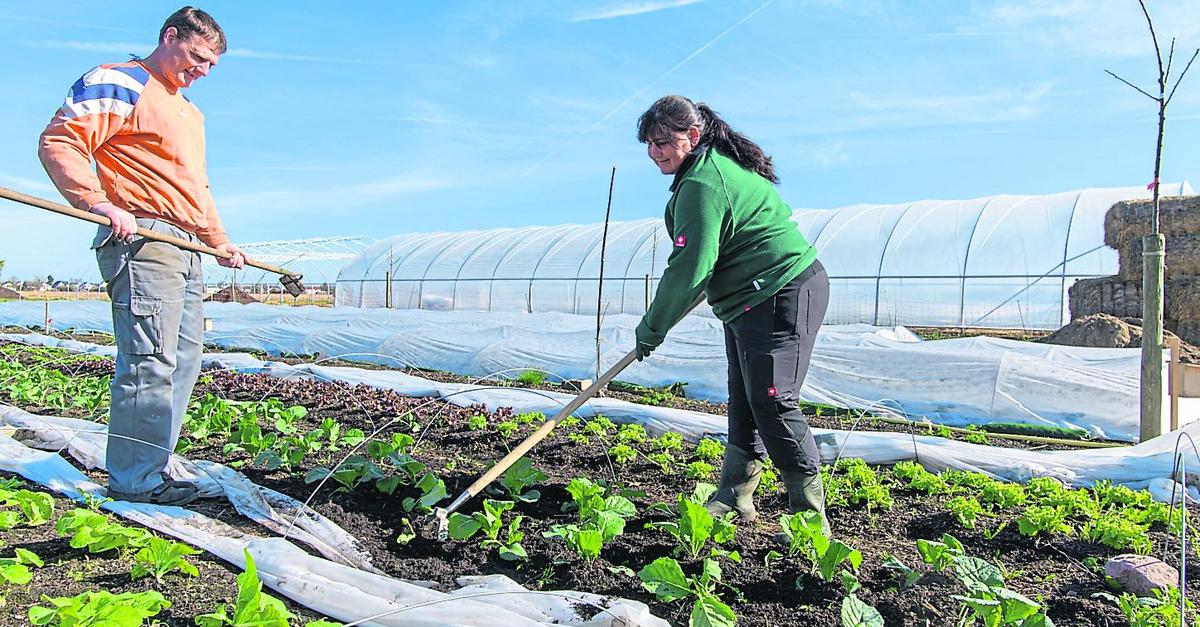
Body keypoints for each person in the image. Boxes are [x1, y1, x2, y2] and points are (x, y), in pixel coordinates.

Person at [38, 6, 245, 506]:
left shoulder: (188, 112)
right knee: (149, 360)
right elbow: (61, 141)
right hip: (144, 239)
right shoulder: (122, 81)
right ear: (170, 36)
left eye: (212, 65)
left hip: (186, 245)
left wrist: (217, 239)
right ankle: (136, 480)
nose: (204, 70)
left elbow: (193, 187)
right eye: (197, 57)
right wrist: (98, 202)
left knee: (184, 360)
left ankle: (155, 464)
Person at [634, 95, 831, 533]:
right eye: (649, 144)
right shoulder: (703, 173)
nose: (655, 152)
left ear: (693, 136)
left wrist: (652, 327)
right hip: (748, 299)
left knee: (773, 401)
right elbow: (702, 265)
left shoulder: (705, 182)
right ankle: (735, 496)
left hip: (780, 290)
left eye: (663, 142)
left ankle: (809, 519)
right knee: (745, 397)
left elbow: (690, 267)